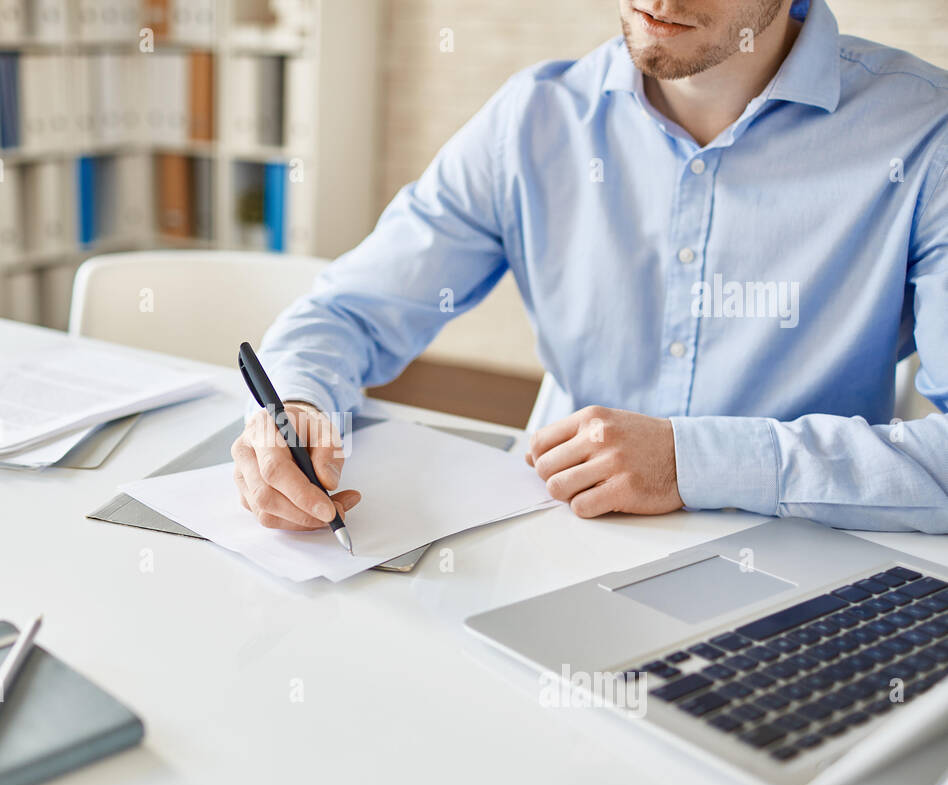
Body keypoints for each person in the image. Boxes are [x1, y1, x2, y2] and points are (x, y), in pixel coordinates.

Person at [230, 0, 948, 536]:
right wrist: (296, 407)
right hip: (558, 541)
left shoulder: (923, 137)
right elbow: (348, 311)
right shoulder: (535, 120)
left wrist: (690, 460)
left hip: (807, 568)